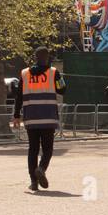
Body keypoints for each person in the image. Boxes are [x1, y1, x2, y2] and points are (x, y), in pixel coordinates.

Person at [21, 48, 66, 192]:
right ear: (47, 57)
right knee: (48, 149)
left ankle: (33, 182)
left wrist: (16, 115)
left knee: (32, 149)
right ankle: (41, 168)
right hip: (48, 116)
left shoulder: (25, 73)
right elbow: (62, 89)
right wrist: (59, 79)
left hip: (31, 116)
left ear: (35, 57)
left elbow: (18, 96)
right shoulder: (54, 72)